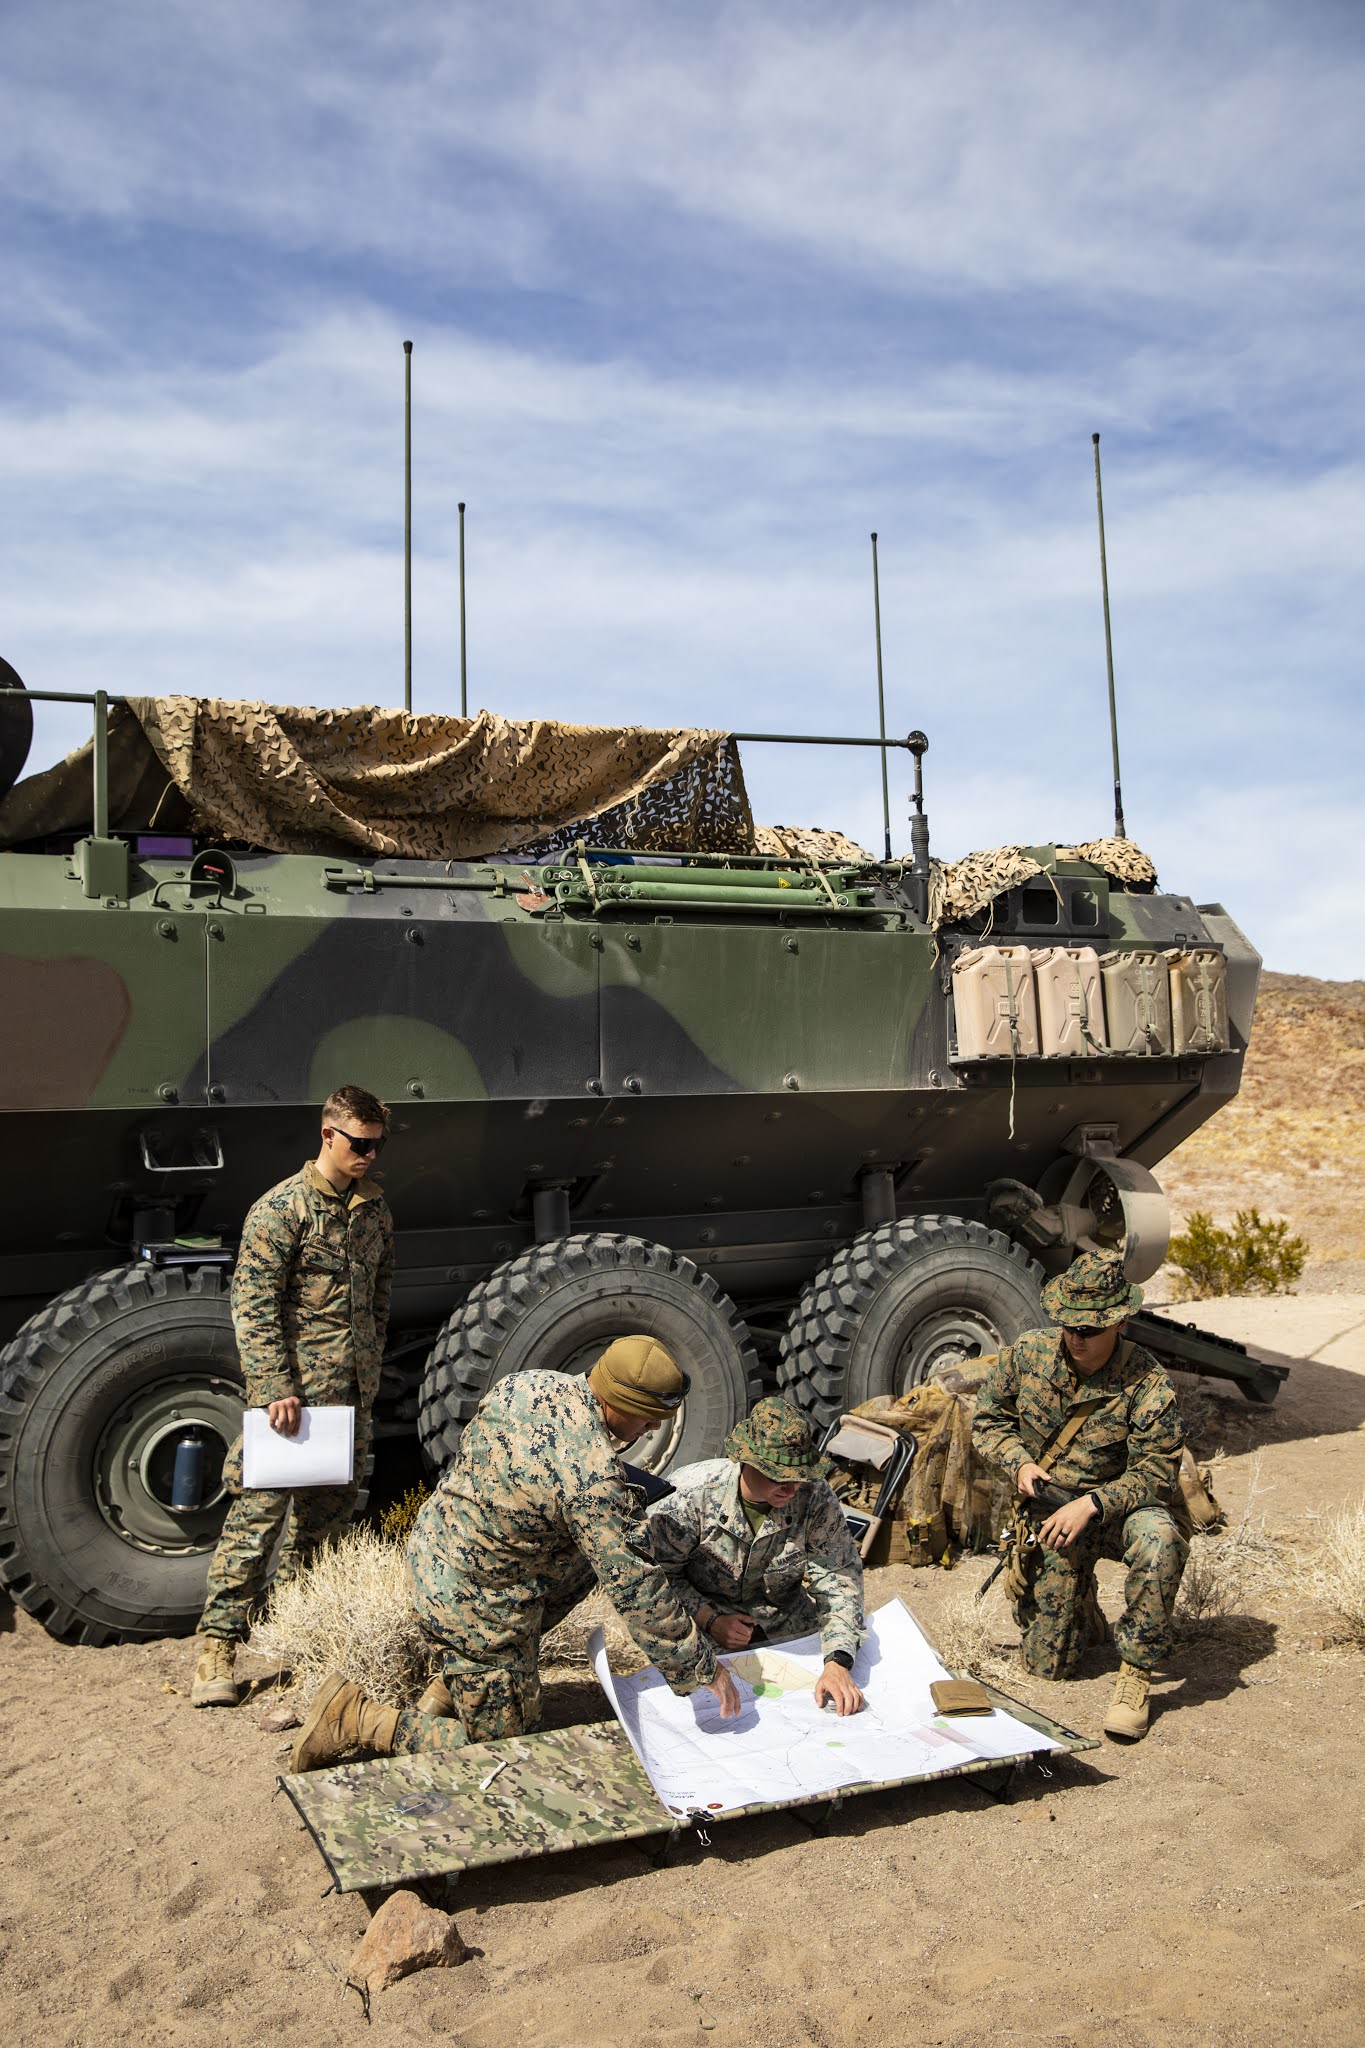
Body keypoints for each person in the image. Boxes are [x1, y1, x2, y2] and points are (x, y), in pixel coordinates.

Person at [290, 1335, 741, 1770]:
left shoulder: (526, 1384)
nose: (654, 1429)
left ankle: (459, 1685)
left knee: (594, 1551)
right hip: (474, 1605)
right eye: (646, 1418)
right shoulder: (593, 1479)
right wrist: (700, 1670)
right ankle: (357, 1718)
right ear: (616, 1403)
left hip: (437, 1548)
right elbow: (635, 1586)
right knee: (507, 1749)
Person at [190, 1085, 394, 1706]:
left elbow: (380, 1296)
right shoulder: (282, 1210)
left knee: (325, 1525)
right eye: (359, 1143)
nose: (369, 1155)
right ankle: (216, 1648)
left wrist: (369, 1378)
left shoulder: (374, 1211)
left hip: (346, 1401)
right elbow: (252, 1307)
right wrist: (275, 1387)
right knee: (256, 1520)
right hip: (290, 1402)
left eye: (377, 1145)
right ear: (328, 1134)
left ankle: (300, 1637)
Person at [972, 1248, 1187, 1741]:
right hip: (1051, 1514)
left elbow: (1157, 1473)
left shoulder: (1148, 1383)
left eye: (1089, 1329)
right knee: (1048, 1666)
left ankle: (1136, 1671)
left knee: (1160, 1538)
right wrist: (1019, 1461)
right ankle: (1082, 1607)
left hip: (1117, 1510)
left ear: (1120, 1323)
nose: (1076, 1337)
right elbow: (987, 1421)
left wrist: (1092, 1505)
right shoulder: (1028, 1355)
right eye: (1068, 1325)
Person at [646, 1396, 866, 1716]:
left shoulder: (815, 1497)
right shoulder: (689, 1496)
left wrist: (837, 1661)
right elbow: (657, 1579)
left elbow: (839, 1577)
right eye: (777, 1475)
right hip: (707, 1626)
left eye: (798, 1475)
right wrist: (710, 1619)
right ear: (745, 1461)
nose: (791, 1488)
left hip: (787, 1624)